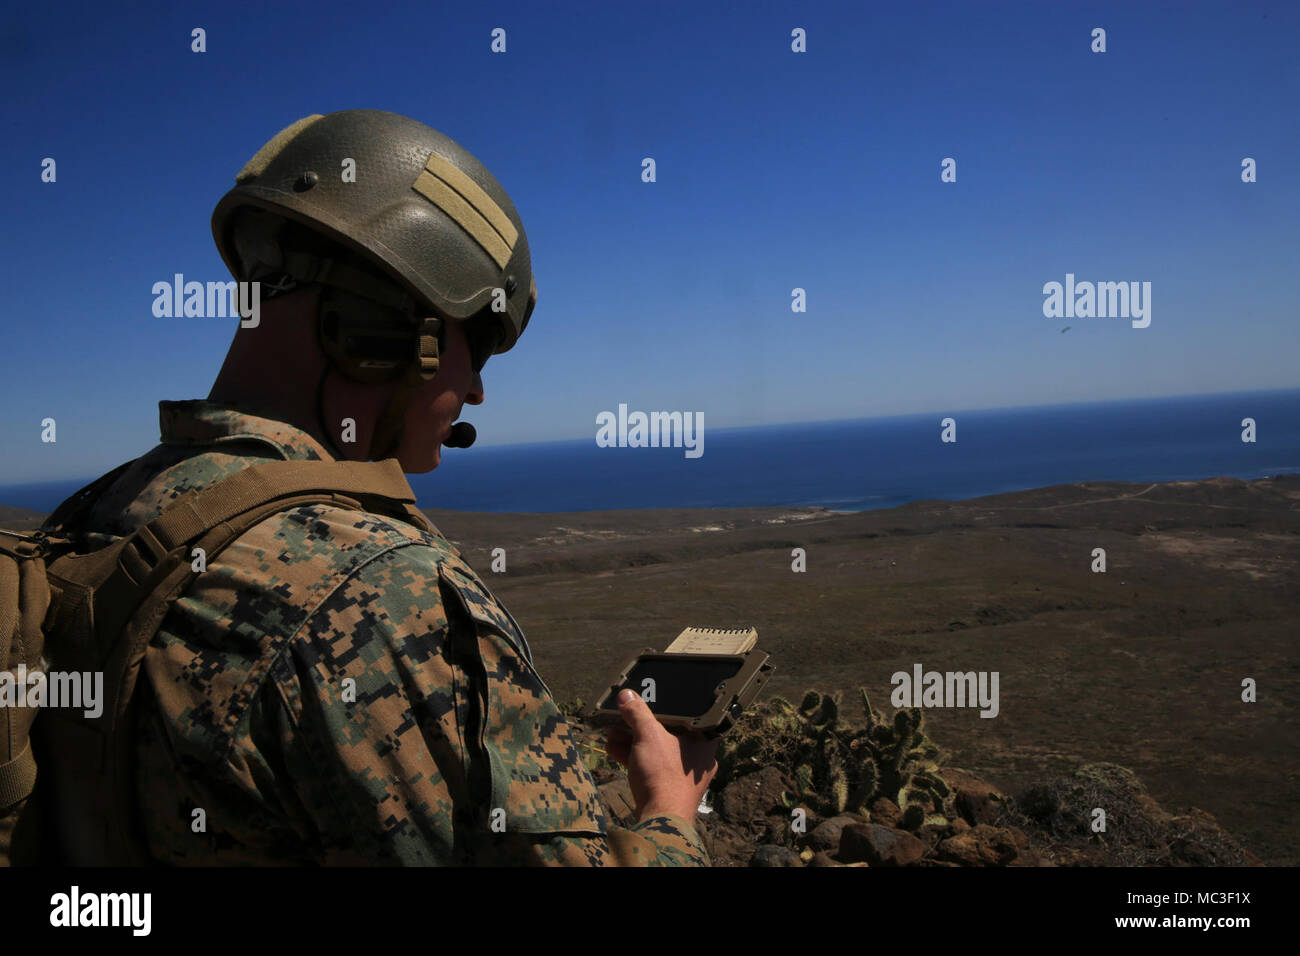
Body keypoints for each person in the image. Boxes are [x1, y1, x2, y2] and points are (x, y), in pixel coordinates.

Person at [59, 109, 717, 865]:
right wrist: (670, 808)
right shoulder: (379, 594)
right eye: (480, 348)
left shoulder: (103, 511)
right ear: (386, 332)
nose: (474, 393)